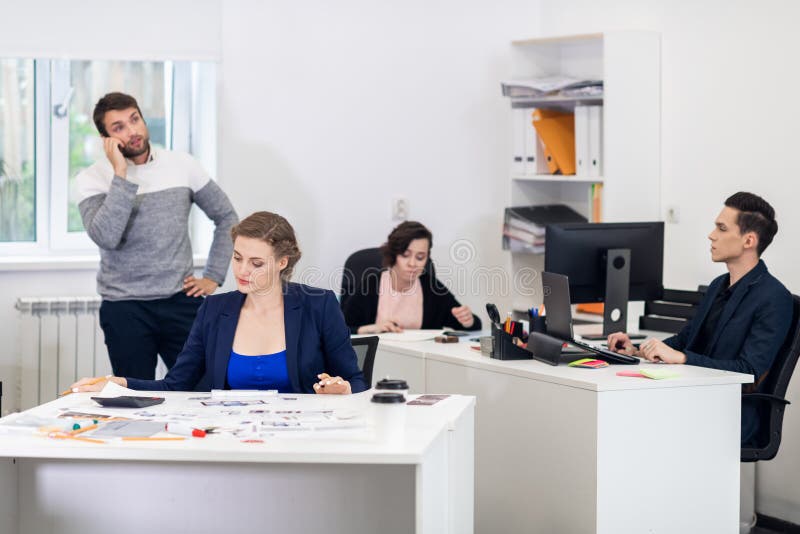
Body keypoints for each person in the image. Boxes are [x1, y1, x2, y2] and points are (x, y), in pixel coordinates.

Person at [71, 211, 366, 395]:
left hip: (302, 439)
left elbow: (357, 380)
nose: (241, 271)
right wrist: (118, 384)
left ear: (282, 262)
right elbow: (176, 385)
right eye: (237, 258)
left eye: (256, 263)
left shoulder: (319, 305)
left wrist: (344, 389)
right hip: (230, 438)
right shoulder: (215, 309)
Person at [76, 92, 238, 380]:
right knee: (137, 397)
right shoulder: (92, 179)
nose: (133, 131)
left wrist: (213, 276)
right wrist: (121, 174)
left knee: (202, 386)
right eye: (119, 127)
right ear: (106, 139)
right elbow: (107, 237)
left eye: (134, 119)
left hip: (181, 300)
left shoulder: (183, 165)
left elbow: (226, 217)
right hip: (125, 308)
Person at [607, 192, 792, 445]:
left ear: (749, 240)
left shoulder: (774, 297)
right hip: (695, 398)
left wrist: (682, 359)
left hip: (730, 413)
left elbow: (749, 373)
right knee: (619, 414)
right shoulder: (718, 285)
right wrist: (637, 351)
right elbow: (685, 340)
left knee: (630, 423)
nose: (711, 235)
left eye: (722, 228)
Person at [342, 221, 482, 334]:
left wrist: (468, 320)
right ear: (393, 254)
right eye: (405, 255)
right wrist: (369, 329)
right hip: (378, 361)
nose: (413, 263)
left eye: (420, 257)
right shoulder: (371, 284)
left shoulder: (431, 287)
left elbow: (473, 325)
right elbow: (341, 329)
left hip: (419, 364)